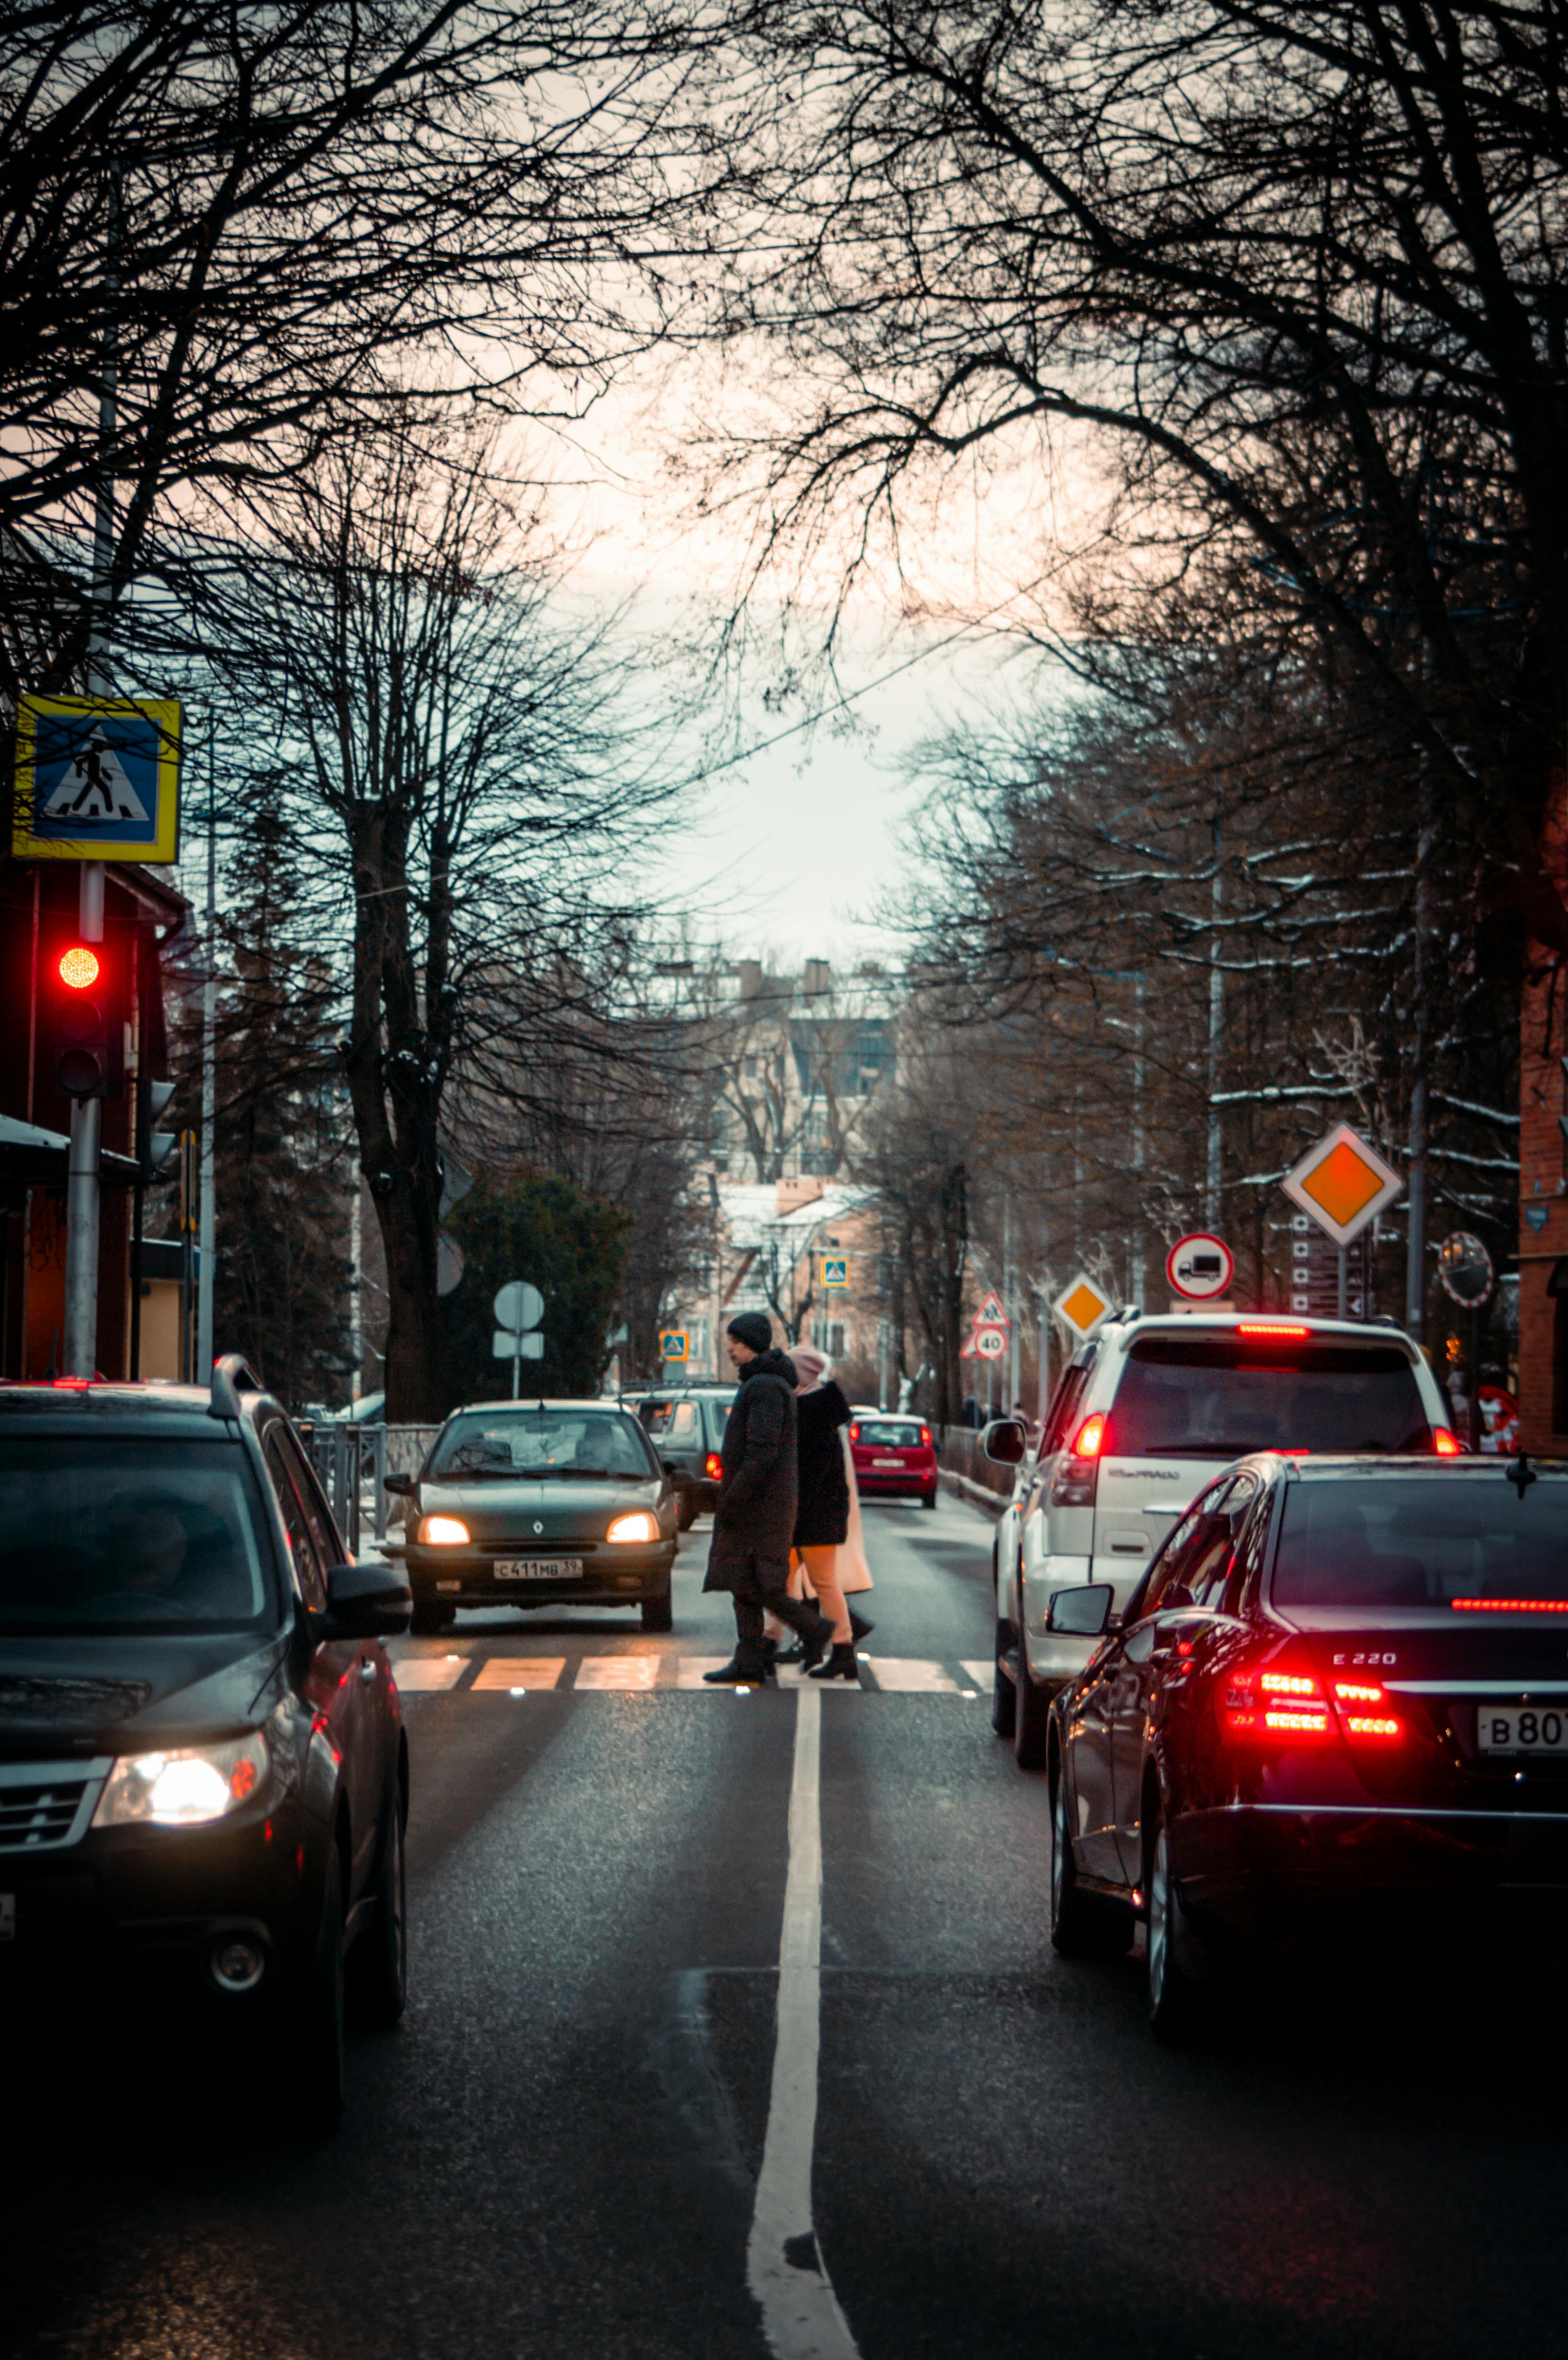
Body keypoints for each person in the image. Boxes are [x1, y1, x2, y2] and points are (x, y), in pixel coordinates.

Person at [702, 1313, 834, 1685]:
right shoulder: (765, 1384)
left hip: (761, 1507)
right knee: (744, 1583)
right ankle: (748, 1659)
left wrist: (734, 1498)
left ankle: (815, 1629)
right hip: (761, 1504)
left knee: (763, 1586)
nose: (729, 1348)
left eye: (736, 1342)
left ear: (753, 1344)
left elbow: (762, 1452)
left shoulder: (764, 1388)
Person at [773, 1346, 870, 1682]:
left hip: (809, 1516)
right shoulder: (820, 1411)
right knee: (805, 1584)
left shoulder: (810, 1414)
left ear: (799, 1375)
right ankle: (840, 1652)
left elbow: (806, 1475)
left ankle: (780, 1645)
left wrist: (790, 1512)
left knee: (786, 1584)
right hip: (819, 1515)